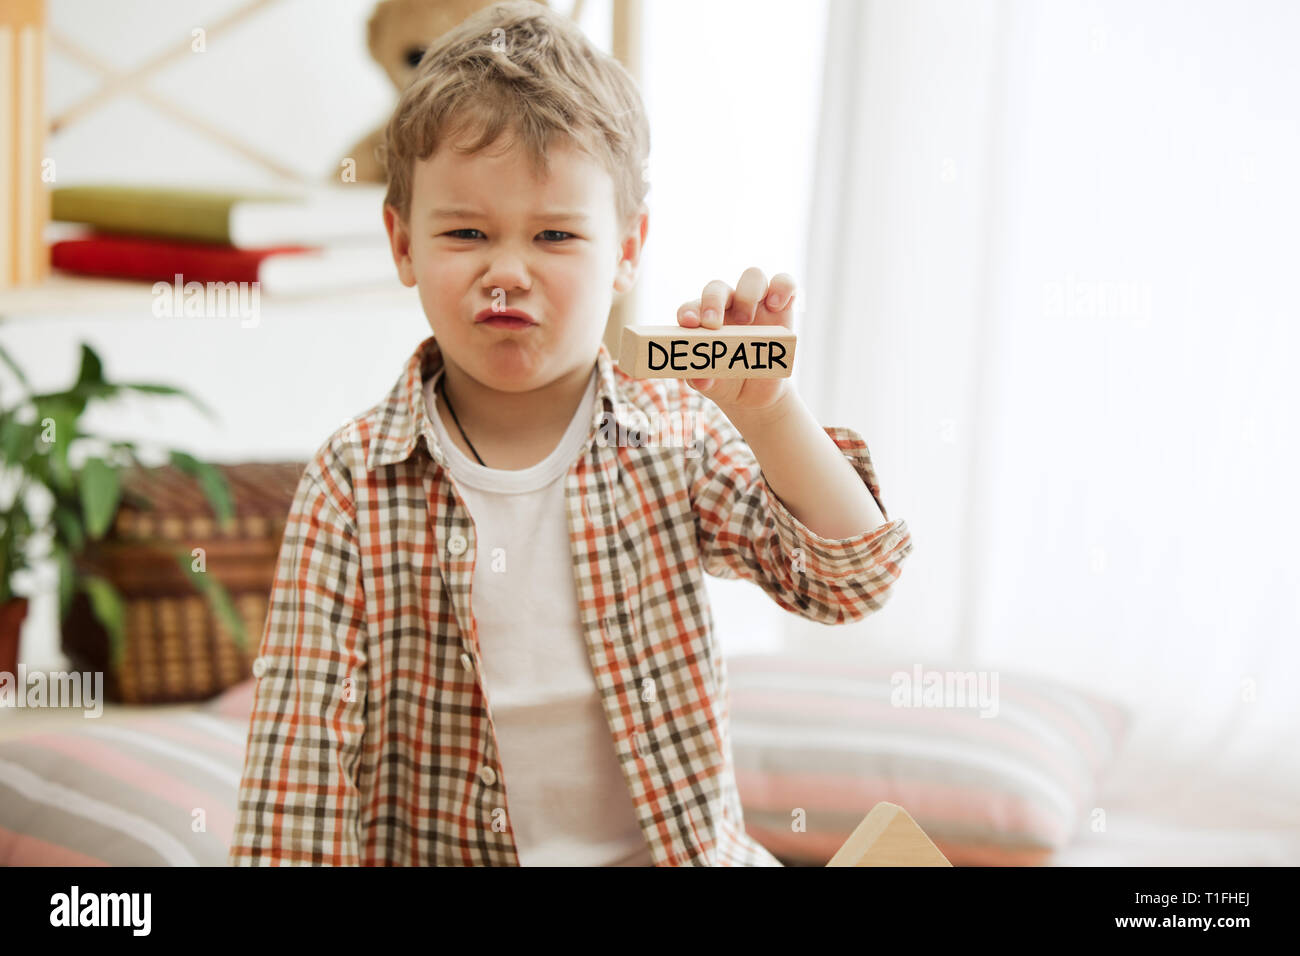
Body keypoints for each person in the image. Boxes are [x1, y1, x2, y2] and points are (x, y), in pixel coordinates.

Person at [228, 0, 913, 866]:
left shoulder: (675, 437)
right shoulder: (352, 482)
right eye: (465, 232)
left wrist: (770, 413)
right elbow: (300, 770)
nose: (507, 271)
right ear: (402, 244)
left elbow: (854, 581)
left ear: (627, 249)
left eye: (555, 234)